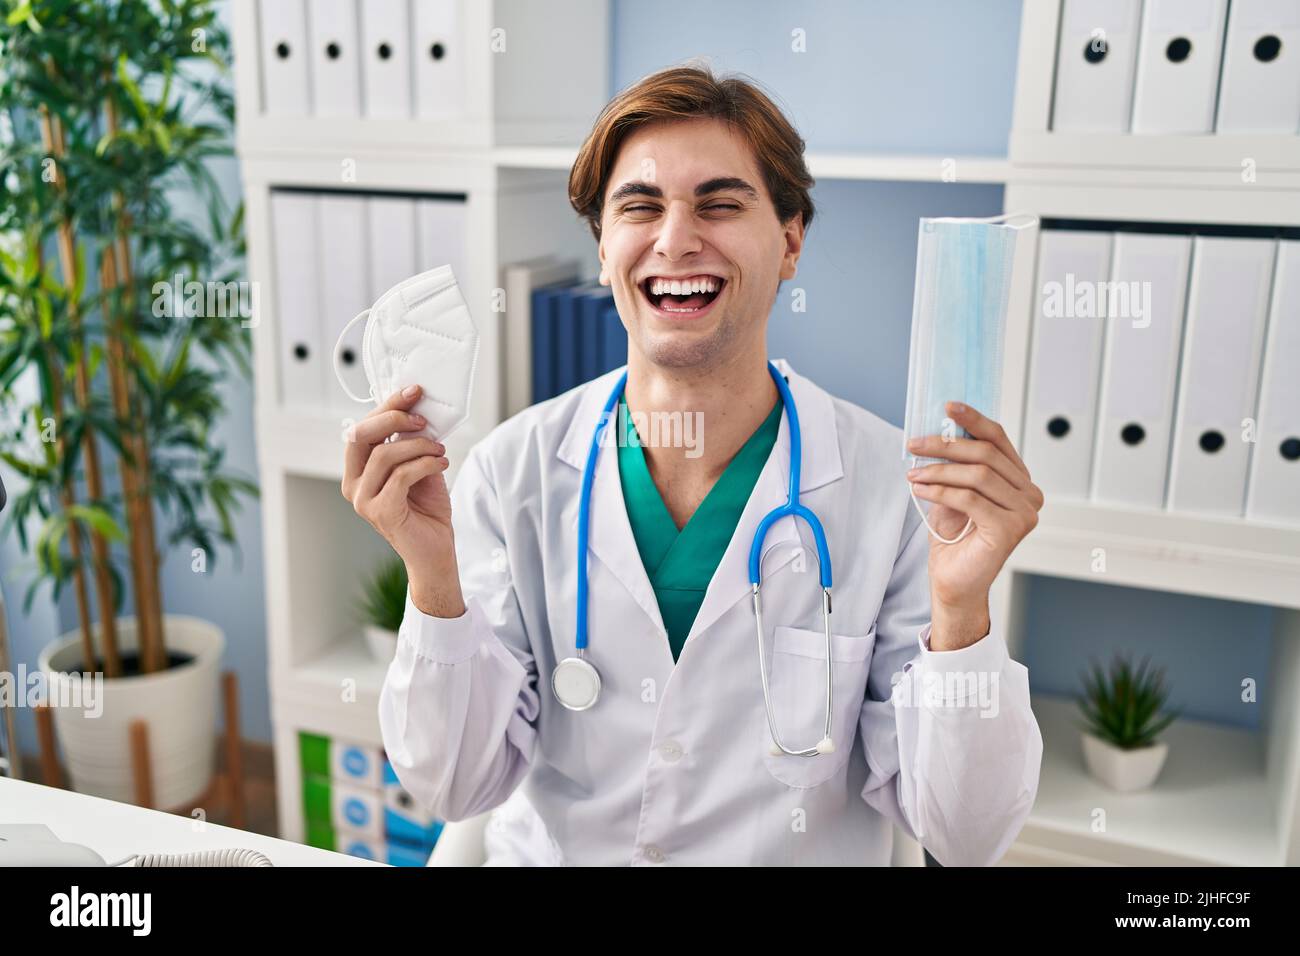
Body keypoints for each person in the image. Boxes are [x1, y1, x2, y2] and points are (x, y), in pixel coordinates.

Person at [344, 65, 1044, 866]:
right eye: (639, 207)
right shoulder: (514, 471)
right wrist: (433, 582)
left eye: (719, 203)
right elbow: (453, 788)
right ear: (605, 249)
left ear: (788, 241)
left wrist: (961, 613)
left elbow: (966, 835)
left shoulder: (900, 490)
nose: (675, 239)